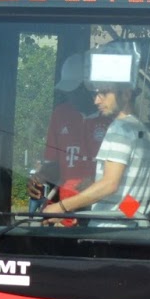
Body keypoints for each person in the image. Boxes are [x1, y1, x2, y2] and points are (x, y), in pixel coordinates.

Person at [41, 77, 150, 222]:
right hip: (133, 226)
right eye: (96, 94)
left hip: (110, 229)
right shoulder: (147, 135)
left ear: (126, 94)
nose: (96, 101)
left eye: (104, 93)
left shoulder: (119, 130)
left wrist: (62, 207)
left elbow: (109, 184)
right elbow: (134, 196)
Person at [29, 54, 110, 208]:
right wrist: (41, 177)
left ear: (92, 88)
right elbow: (54, 166)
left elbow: (126, 185)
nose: (70, 96)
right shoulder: (60, 114)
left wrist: (98, 182)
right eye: (68, 91)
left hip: (105, 211)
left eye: (76, 90)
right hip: (65, 211)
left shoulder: (117, 122)